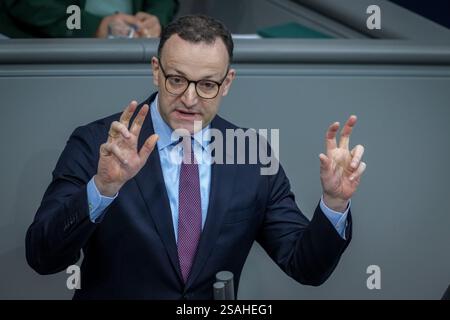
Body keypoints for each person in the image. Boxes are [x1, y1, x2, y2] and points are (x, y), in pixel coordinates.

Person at [25, 15, 367, 299]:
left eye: (206, 85)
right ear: (156, 71)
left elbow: (305, 267)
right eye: (176, 80)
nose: (189, 98)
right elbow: (43, 256)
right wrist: (102, 188)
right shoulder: (99, 142)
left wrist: (334, 204)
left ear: (227, 82)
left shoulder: (251, 154)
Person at [0, 0, 178, 38]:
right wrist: (92, 26)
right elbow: (24, 4)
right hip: (40, 52)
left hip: (135, 48)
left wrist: (156, 19)